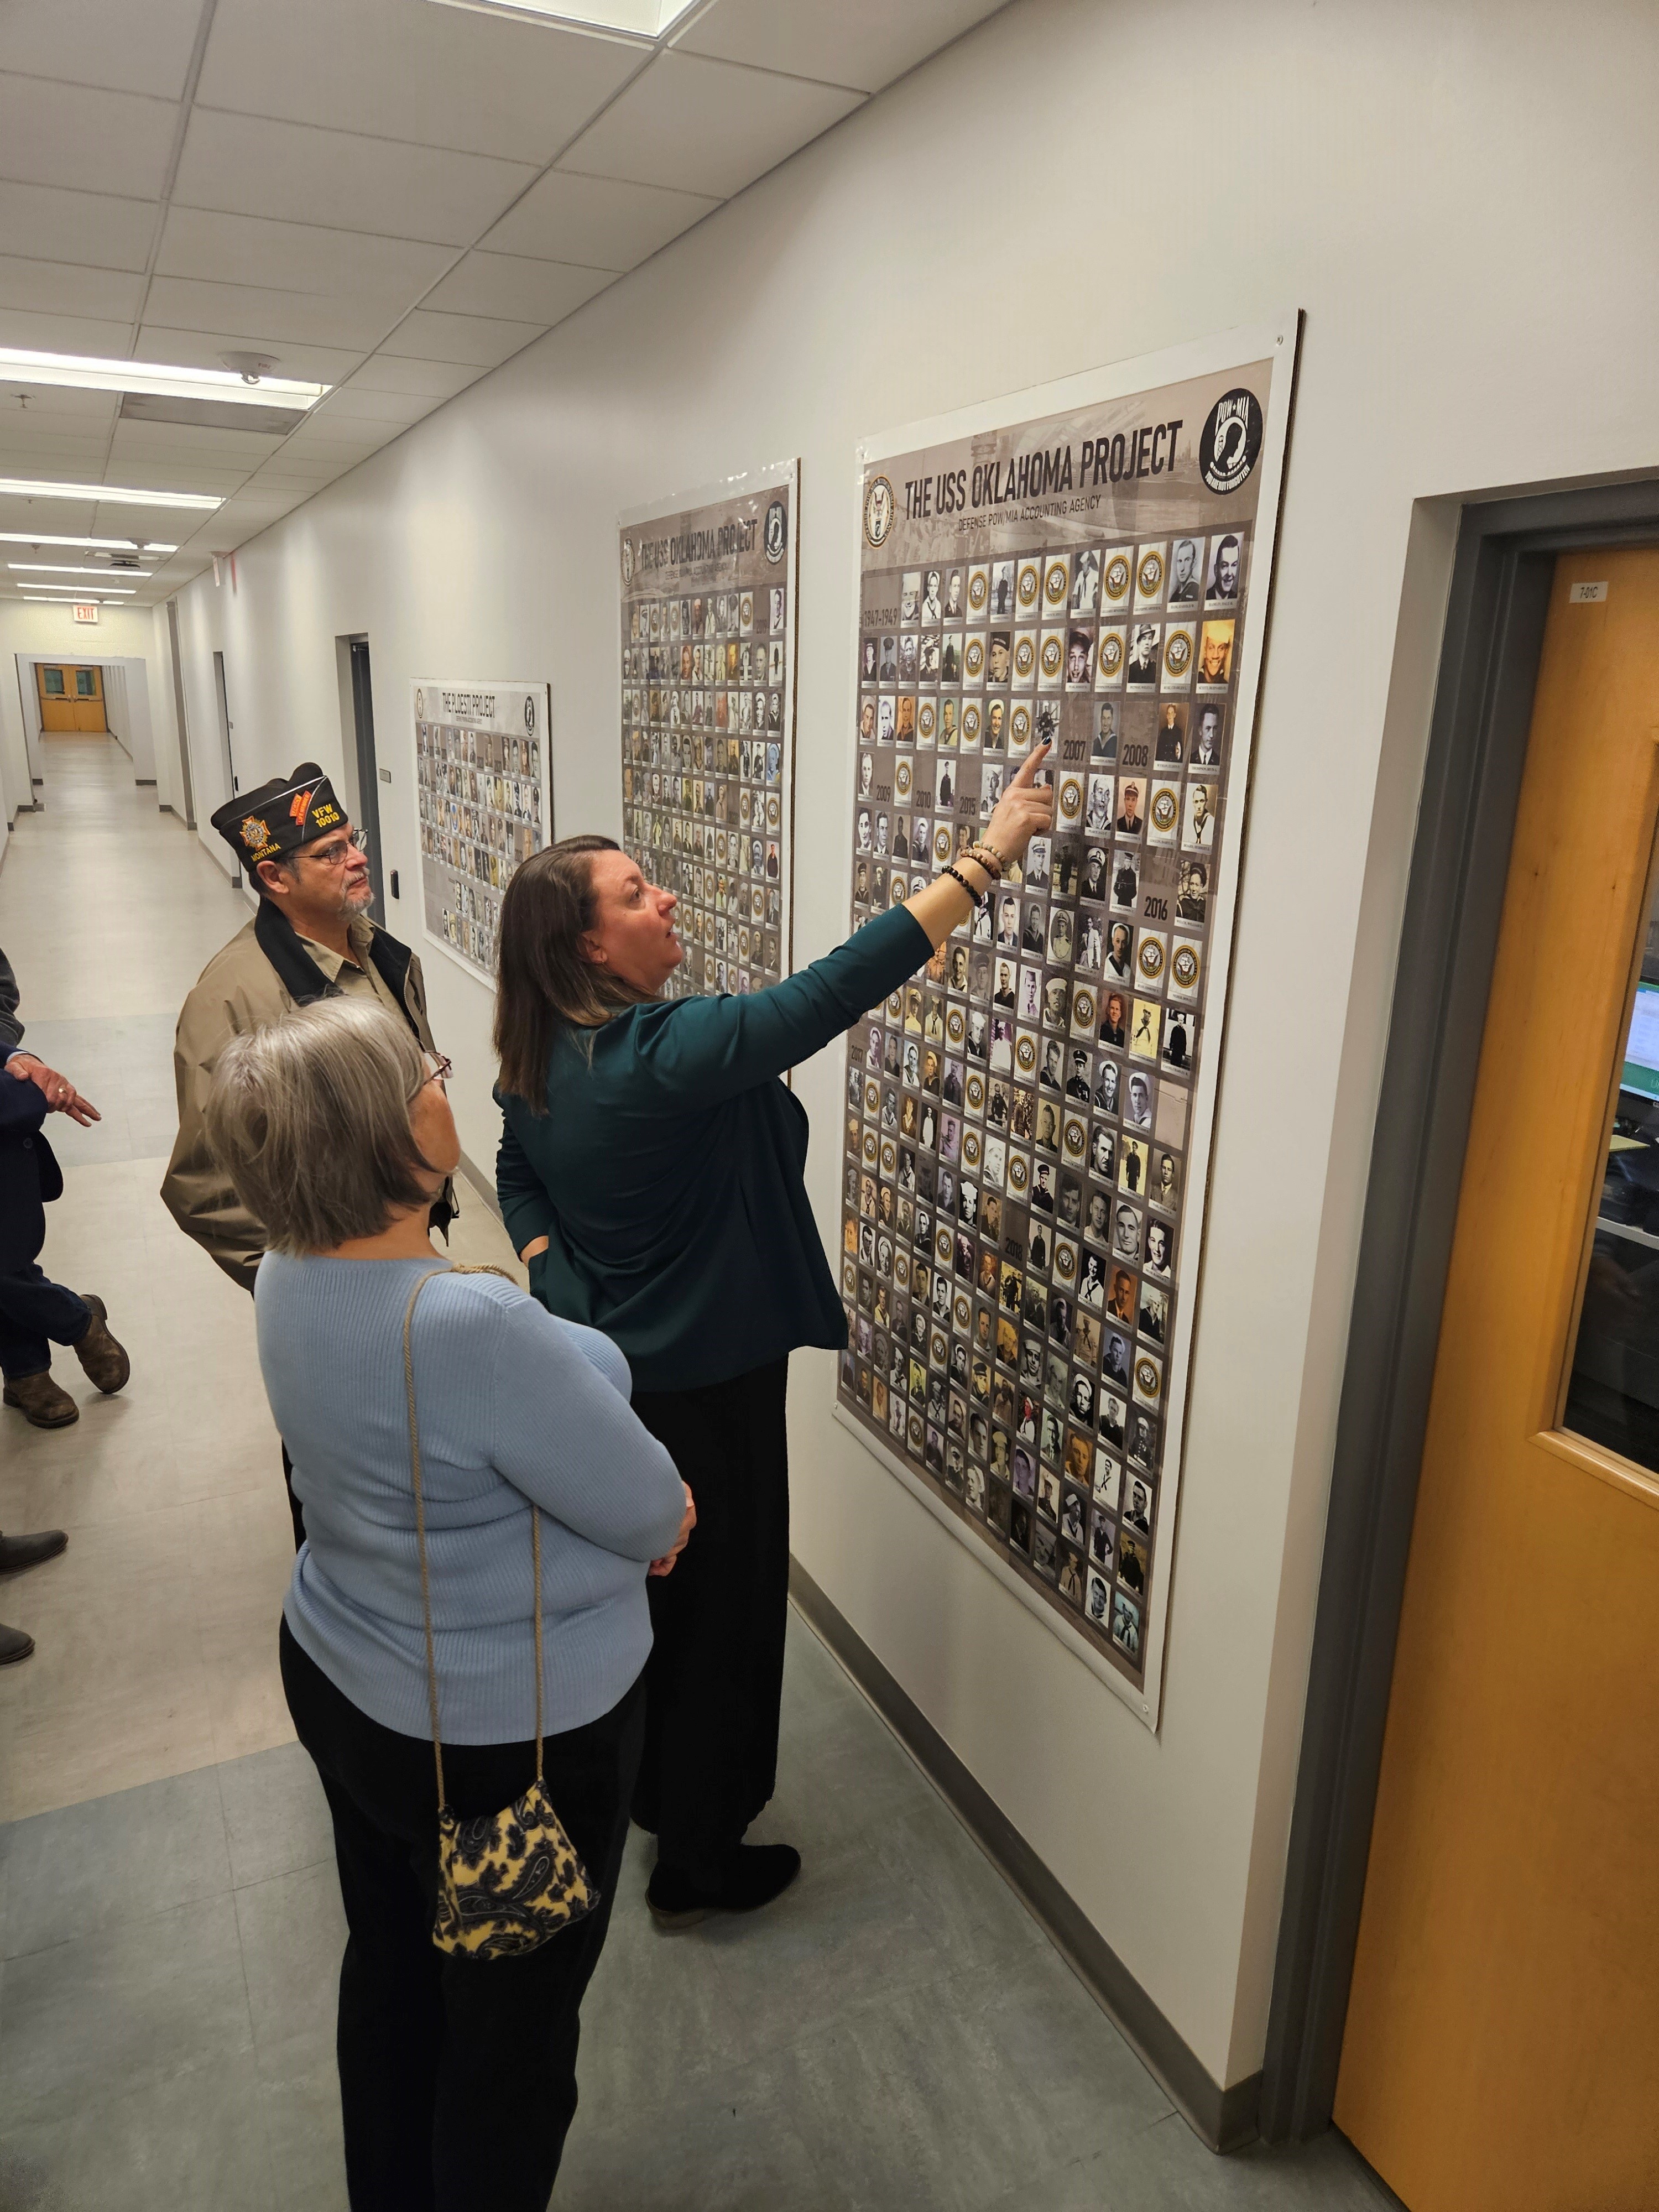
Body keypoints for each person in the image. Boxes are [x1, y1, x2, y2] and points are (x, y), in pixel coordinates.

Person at [493, 747, 1054, 1926]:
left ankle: (662, 1809)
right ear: (589, 945)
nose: (668, 901)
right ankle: (700, 1859)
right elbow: (829, 991)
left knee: (670, 1608)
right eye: (640, 892)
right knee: (730, 1617)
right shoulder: (659, 1055)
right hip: (711, 1384)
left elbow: (515, 1166)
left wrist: (550, 1270)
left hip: (628, 1375)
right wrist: (988, 855)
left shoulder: (543, 1048)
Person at [205, 998, 691, 2211]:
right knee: (512, 2045)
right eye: (424, 1067)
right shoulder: (465, 1320)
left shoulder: (286, 1268)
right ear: (388, 1132)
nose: (445, 1075)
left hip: (341, 1668)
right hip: (501, 1743)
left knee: (394, 1969)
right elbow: (648, 1509)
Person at [163, 764, 453, 1546]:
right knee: (340, 1486)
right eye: (331, 851)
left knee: (424, 1466)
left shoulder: (381, 954)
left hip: (409, 1256)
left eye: (352, 838)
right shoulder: (233, 999)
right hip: (332, 1290)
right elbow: (200, 1183)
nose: (358, 857)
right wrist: (304, 1281)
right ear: (272, 876)